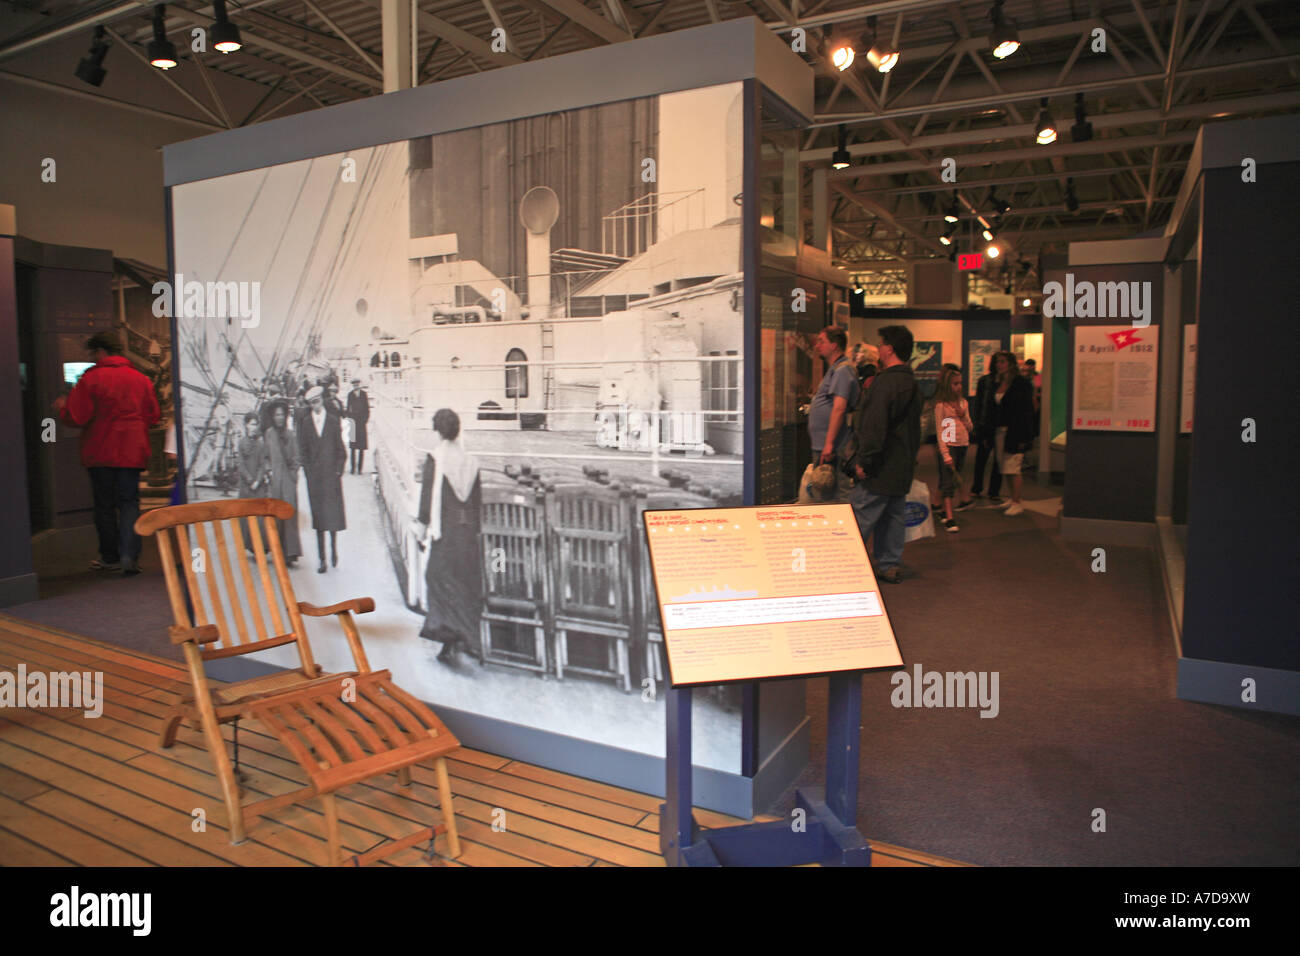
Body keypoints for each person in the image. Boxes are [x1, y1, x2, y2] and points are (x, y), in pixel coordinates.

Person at [53, 332, 160, 576]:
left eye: (92, 354)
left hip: (100, 450)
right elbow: (153, 416)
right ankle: (129, 556)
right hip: (132, 450)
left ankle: (110, 557)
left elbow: (76, 417)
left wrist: (62, 408)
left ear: (100, 351)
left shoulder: (90, 380)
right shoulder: (141, 379)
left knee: (104, 505)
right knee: (130, 502)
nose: (91, 359)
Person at [849, 325, 922, 584]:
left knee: (861, 515)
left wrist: (865, 462)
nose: (878, 349)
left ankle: (844, 564)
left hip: (880, 466)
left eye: (880, 344)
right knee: (893, 516)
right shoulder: (911, 382)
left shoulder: (886, 383)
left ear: (889, 349)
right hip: (901, 465)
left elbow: (875, 426)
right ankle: (888, 564)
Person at [412, 408, 483, 665]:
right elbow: (477, 503)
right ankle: (466, 637)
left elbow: (427, 498)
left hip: (446, 533)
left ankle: (452, 636)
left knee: (437, 578)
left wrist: (421, 531)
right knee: (464, 583)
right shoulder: (471, 461)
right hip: (467, 535)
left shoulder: (436, 459)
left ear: (439, 431)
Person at [297, 386, 347, 573]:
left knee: (332, 518)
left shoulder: (333, 422)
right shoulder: (306, 423)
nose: (315, 406)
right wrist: (309, 473)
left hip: (331, 479)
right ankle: (322, 559)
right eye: (311, 403)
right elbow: (302, 451)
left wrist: (337, 472)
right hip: (315, 481)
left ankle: (333, 550)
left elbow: (341, 451)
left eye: (317, 401)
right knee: (319, 520)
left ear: (322, 400)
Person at [808, 325, 859, 501]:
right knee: (824, 491)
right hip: (825, 444)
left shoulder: (843, 370)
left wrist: (829, 443)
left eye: (822, 341)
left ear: (835, 345)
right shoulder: (835, 369)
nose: (817, 345)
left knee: (834, 492)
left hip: (834, 446)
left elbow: (839, 408)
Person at [988, 351, 1036, 516]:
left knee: (1014, 466)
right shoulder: (998, 382)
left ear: (1010, 364)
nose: (998, 365)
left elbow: (1026, 411)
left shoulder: (1021, 384)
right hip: (1000, 430)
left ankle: (1017, 501)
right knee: (1005, 466)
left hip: (1015, 431)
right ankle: (1012, 497)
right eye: (997, 362)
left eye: (1002, 362)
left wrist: (1024, 436)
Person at [933, 367, 975, 532]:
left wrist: (963, 414)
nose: (958, 387)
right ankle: (950, 517)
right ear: (947, 385)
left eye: (960, 383)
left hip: (962, 445)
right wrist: (945, 453)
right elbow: (939, 431)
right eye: (955, 384)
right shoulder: (941, 406)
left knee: (956, 477)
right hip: (949, 446)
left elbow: (970, 427)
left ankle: (944, 511)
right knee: (947, 481)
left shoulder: (964, 403)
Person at [261, 399, 302, 567]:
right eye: (276, 415)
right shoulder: (269, 434)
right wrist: (268, 471)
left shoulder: (291, 435)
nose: (279, 417)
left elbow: (297, 458)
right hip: (275, 481)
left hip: (288, 482)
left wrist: (292, 476)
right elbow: (265, 457)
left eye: (282, 414)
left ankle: (290, 553)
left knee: (289, 514)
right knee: (276, 516)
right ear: (273, 416)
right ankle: (277, 551)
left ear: (285, 416)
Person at [969, 362, 1003, 504]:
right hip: (985, 425)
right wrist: (977, 424)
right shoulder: (985, 381)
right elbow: (979, 404)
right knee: (982, 458)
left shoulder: (1005, 382)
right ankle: (977, 488)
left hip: (1000, 426)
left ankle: (993, 491)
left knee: (998, 460)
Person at [236, 412, 268, 499]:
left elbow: (263, 464)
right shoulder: (241, 443)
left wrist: (257, 481)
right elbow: (241, 464)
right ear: (246, 425)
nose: (254, 427)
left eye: (256, 425)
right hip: (245, 486)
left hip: (258, 486)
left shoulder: (260, 443)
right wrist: (250, 480)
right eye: (252, 424)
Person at [346, 378, 370, 475]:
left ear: (359, 385)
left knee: (361, 448)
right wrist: (350, 419)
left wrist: (365, 420)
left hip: (361, 423)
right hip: (353, 423)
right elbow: (348, 409)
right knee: (352, 447)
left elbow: (367, 409)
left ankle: (360, 469)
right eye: (354, 385)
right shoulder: (350, 395)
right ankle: (352, 468)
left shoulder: (364, 394)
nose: (355, 386)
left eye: (357, 385)